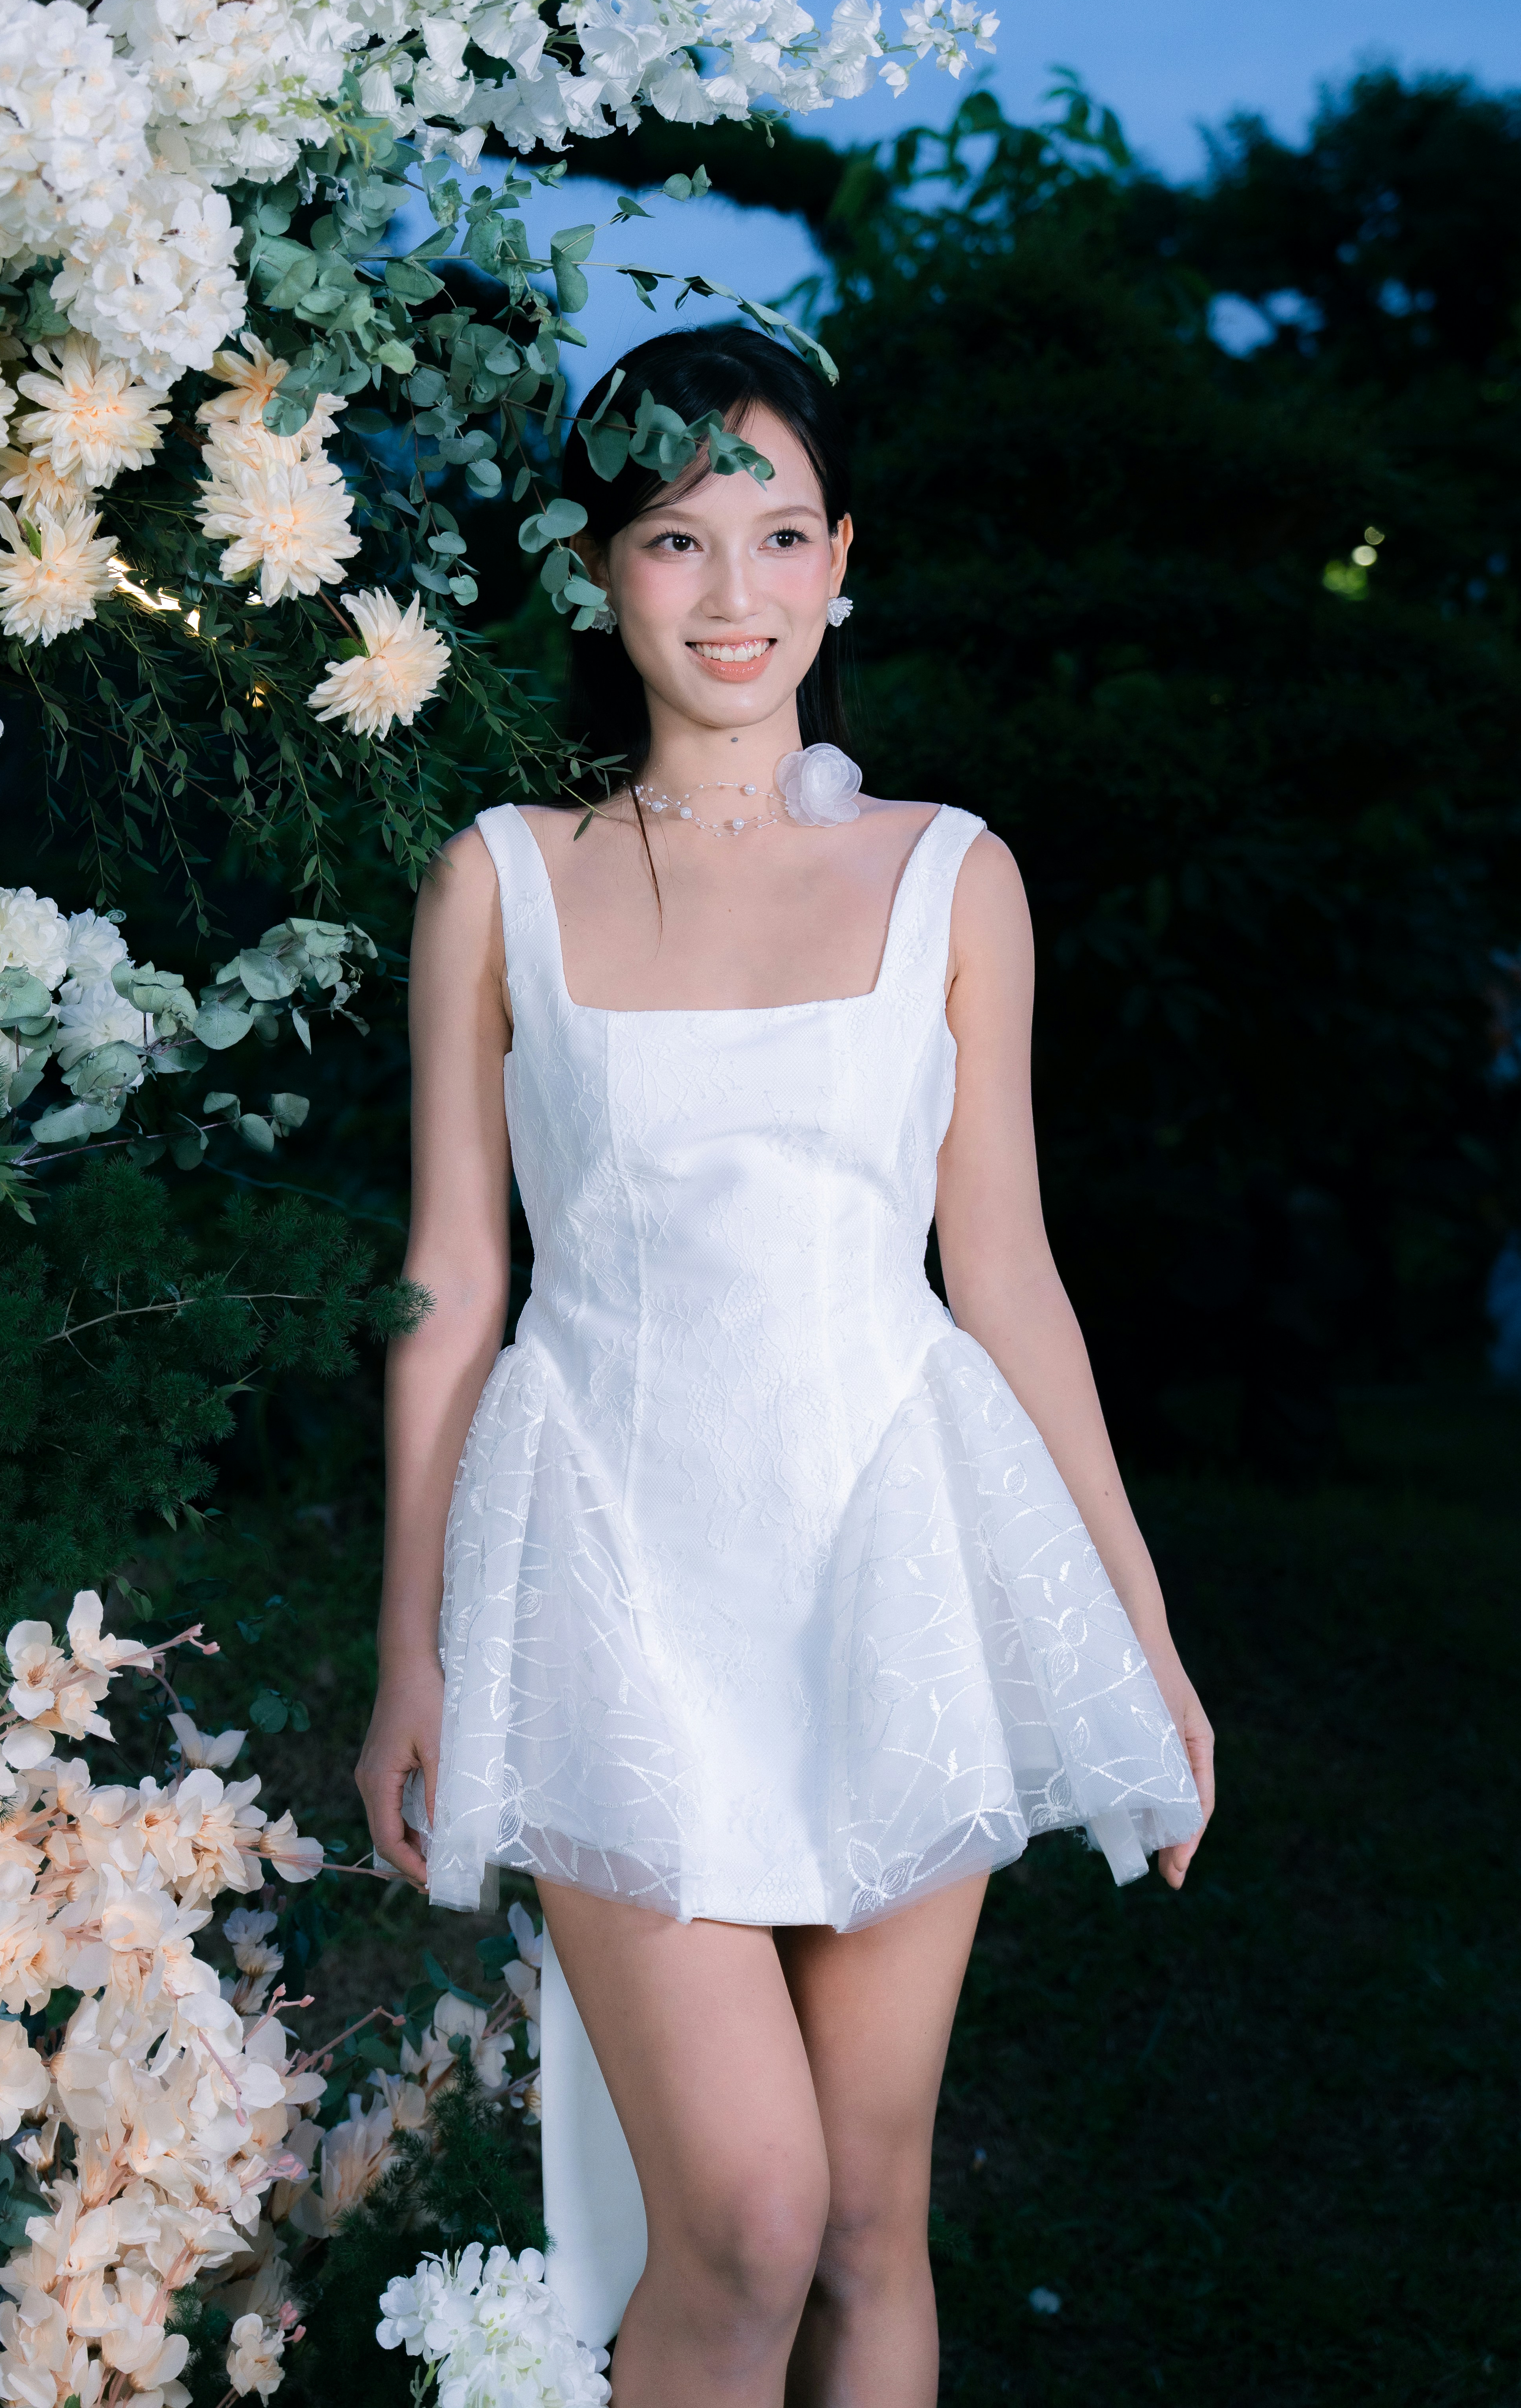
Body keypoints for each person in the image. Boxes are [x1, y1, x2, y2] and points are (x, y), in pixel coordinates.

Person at [356, 325, 1214, 2408]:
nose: (731, 595)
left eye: (777, 534)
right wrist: (411, 1646)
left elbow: (1002, 1270)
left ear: (845, 562)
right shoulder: (501, 882)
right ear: (600, 570)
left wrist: (1141, 1625)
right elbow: (455, 1283)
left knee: (858, 2223)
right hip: (614, 1578)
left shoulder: (949, 874)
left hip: (892, 1559)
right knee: (735, 2217)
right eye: (674, 539)